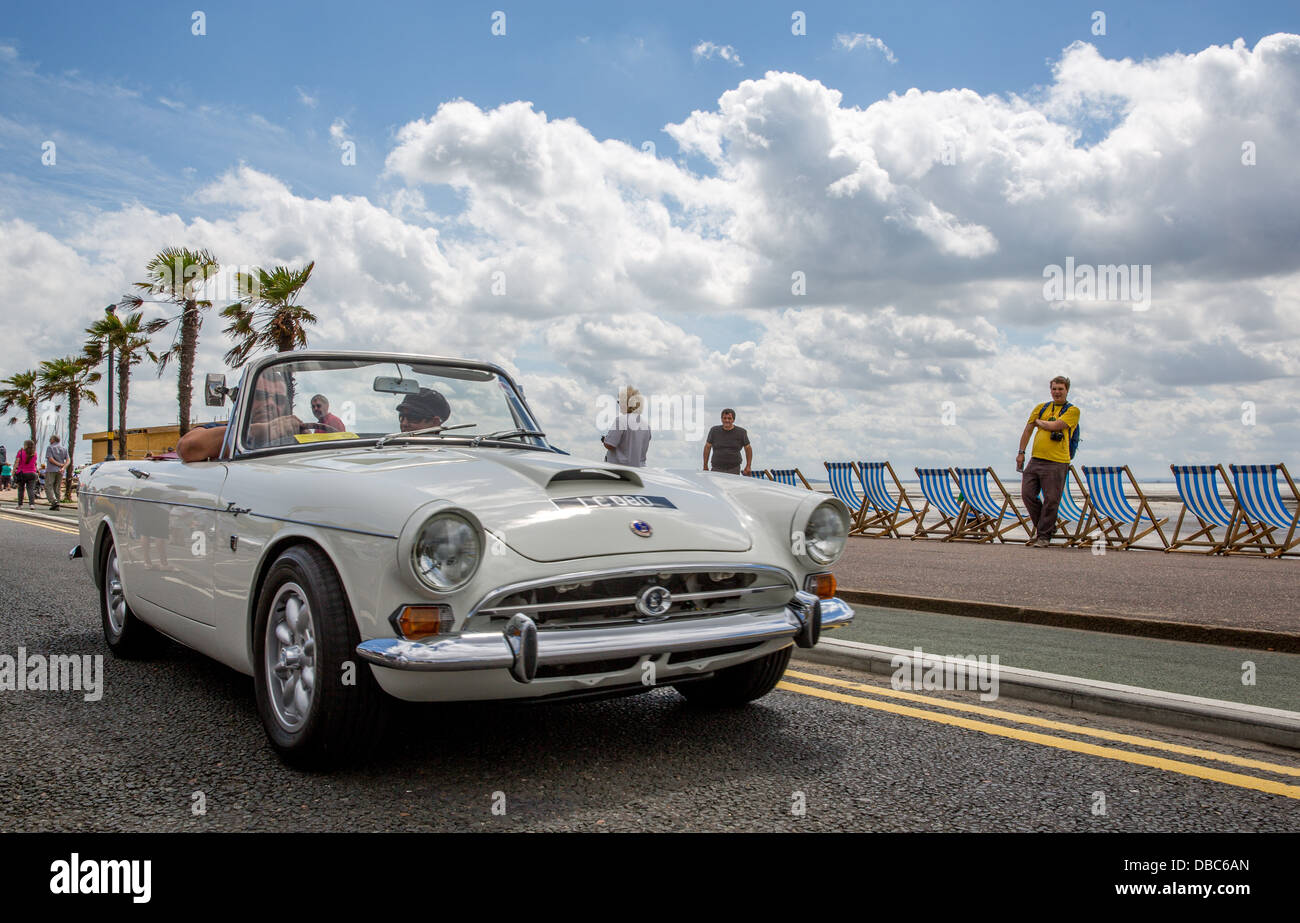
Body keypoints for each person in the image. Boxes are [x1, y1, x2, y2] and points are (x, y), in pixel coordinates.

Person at [177, 368, 300, 462]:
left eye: (279, 399)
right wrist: (257, 431)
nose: (271, 403)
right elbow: (186, 448)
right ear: (240, 399)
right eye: (260, 395)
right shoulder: (224, 431)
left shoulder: (294, 436)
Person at [1017, 375, 1080, 548]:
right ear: (1050, 390)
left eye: (1060, 389)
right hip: (1035, 459)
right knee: (1027, 494)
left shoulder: (1072, 411)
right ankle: (1048, 528)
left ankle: (1044, 536)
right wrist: (1021, 452)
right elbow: (1028, 430)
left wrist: (1039, 422)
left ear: (1067, 390)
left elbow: (1056, 426)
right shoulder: (1041, 407)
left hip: (1057, 461)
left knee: (1052, 499)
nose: (1057, 392)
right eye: (1054, 388)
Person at [601, 386, 650, 467]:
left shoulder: (620, 420)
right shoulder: (646, 425)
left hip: (619, 469)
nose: (619, 404)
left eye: (619, 402)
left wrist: (605, 440)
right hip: (639, 470)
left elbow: (610, 445)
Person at [702, 408, 752, 475]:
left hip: (734, 469)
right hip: (716, 468)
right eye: (724, 418)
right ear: (721, 419)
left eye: (729, 418)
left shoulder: (741, 432)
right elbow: (707, 447)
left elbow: (748, 448)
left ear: (733, 420)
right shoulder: (714, 431)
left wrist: (748, 466)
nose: (727, 420)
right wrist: (705, 465)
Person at [44, 434, 69, 510]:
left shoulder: (50, 447)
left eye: (50, 439)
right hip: (60, 471)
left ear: (53, 440)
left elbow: (50, 459)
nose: (49, 441)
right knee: (57, 487)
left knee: (48, 486)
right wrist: (63, 467)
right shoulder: (64, 448)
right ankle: (57, 503)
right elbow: (68, 460)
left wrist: (59, 464)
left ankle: (53, 501)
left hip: (51, 469)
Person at [13, 439, 38, 509]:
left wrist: (13, 472)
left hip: (22, 473)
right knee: (31, 489)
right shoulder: (35, 453)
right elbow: (34, 463)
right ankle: (32, 504)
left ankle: (20, 505)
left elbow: (17, 462)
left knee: (21, 489)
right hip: (32, 473)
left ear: (25, 445)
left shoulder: (20, 452)